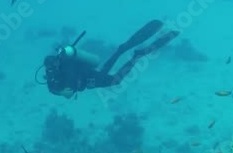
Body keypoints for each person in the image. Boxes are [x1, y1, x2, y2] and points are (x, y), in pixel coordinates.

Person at [36, 20, 178, 98]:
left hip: (90, 78)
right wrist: (62, 91)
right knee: (108, 71)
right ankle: (122, 50)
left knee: (116, 80)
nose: (50, 70)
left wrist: (65, 91)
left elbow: (69, 85)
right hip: (89, 75)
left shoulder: (60, 72)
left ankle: (136, 55)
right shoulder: (54, 75)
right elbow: (56, 90)